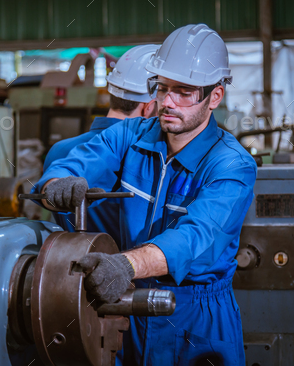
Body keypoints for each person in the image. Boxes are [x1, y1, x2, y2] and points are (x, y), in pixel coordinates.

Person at [33, 24, 256, 365]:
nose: (166, 102)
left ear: (215, 96)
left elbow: (195, 237)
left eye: (183, 91)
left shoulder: (231, 164)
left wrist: (125, 263)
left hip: (196, 316)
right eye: (162, 88)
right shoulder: (131, 135)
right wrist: (55, 186)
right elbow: (77, 161)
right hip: (130, 309)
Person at [42, 44, 159, 246]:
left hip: (65, 269)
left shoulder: (59, 151)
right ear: (148, 109)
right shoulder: (144, 159)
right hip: (128, 271)